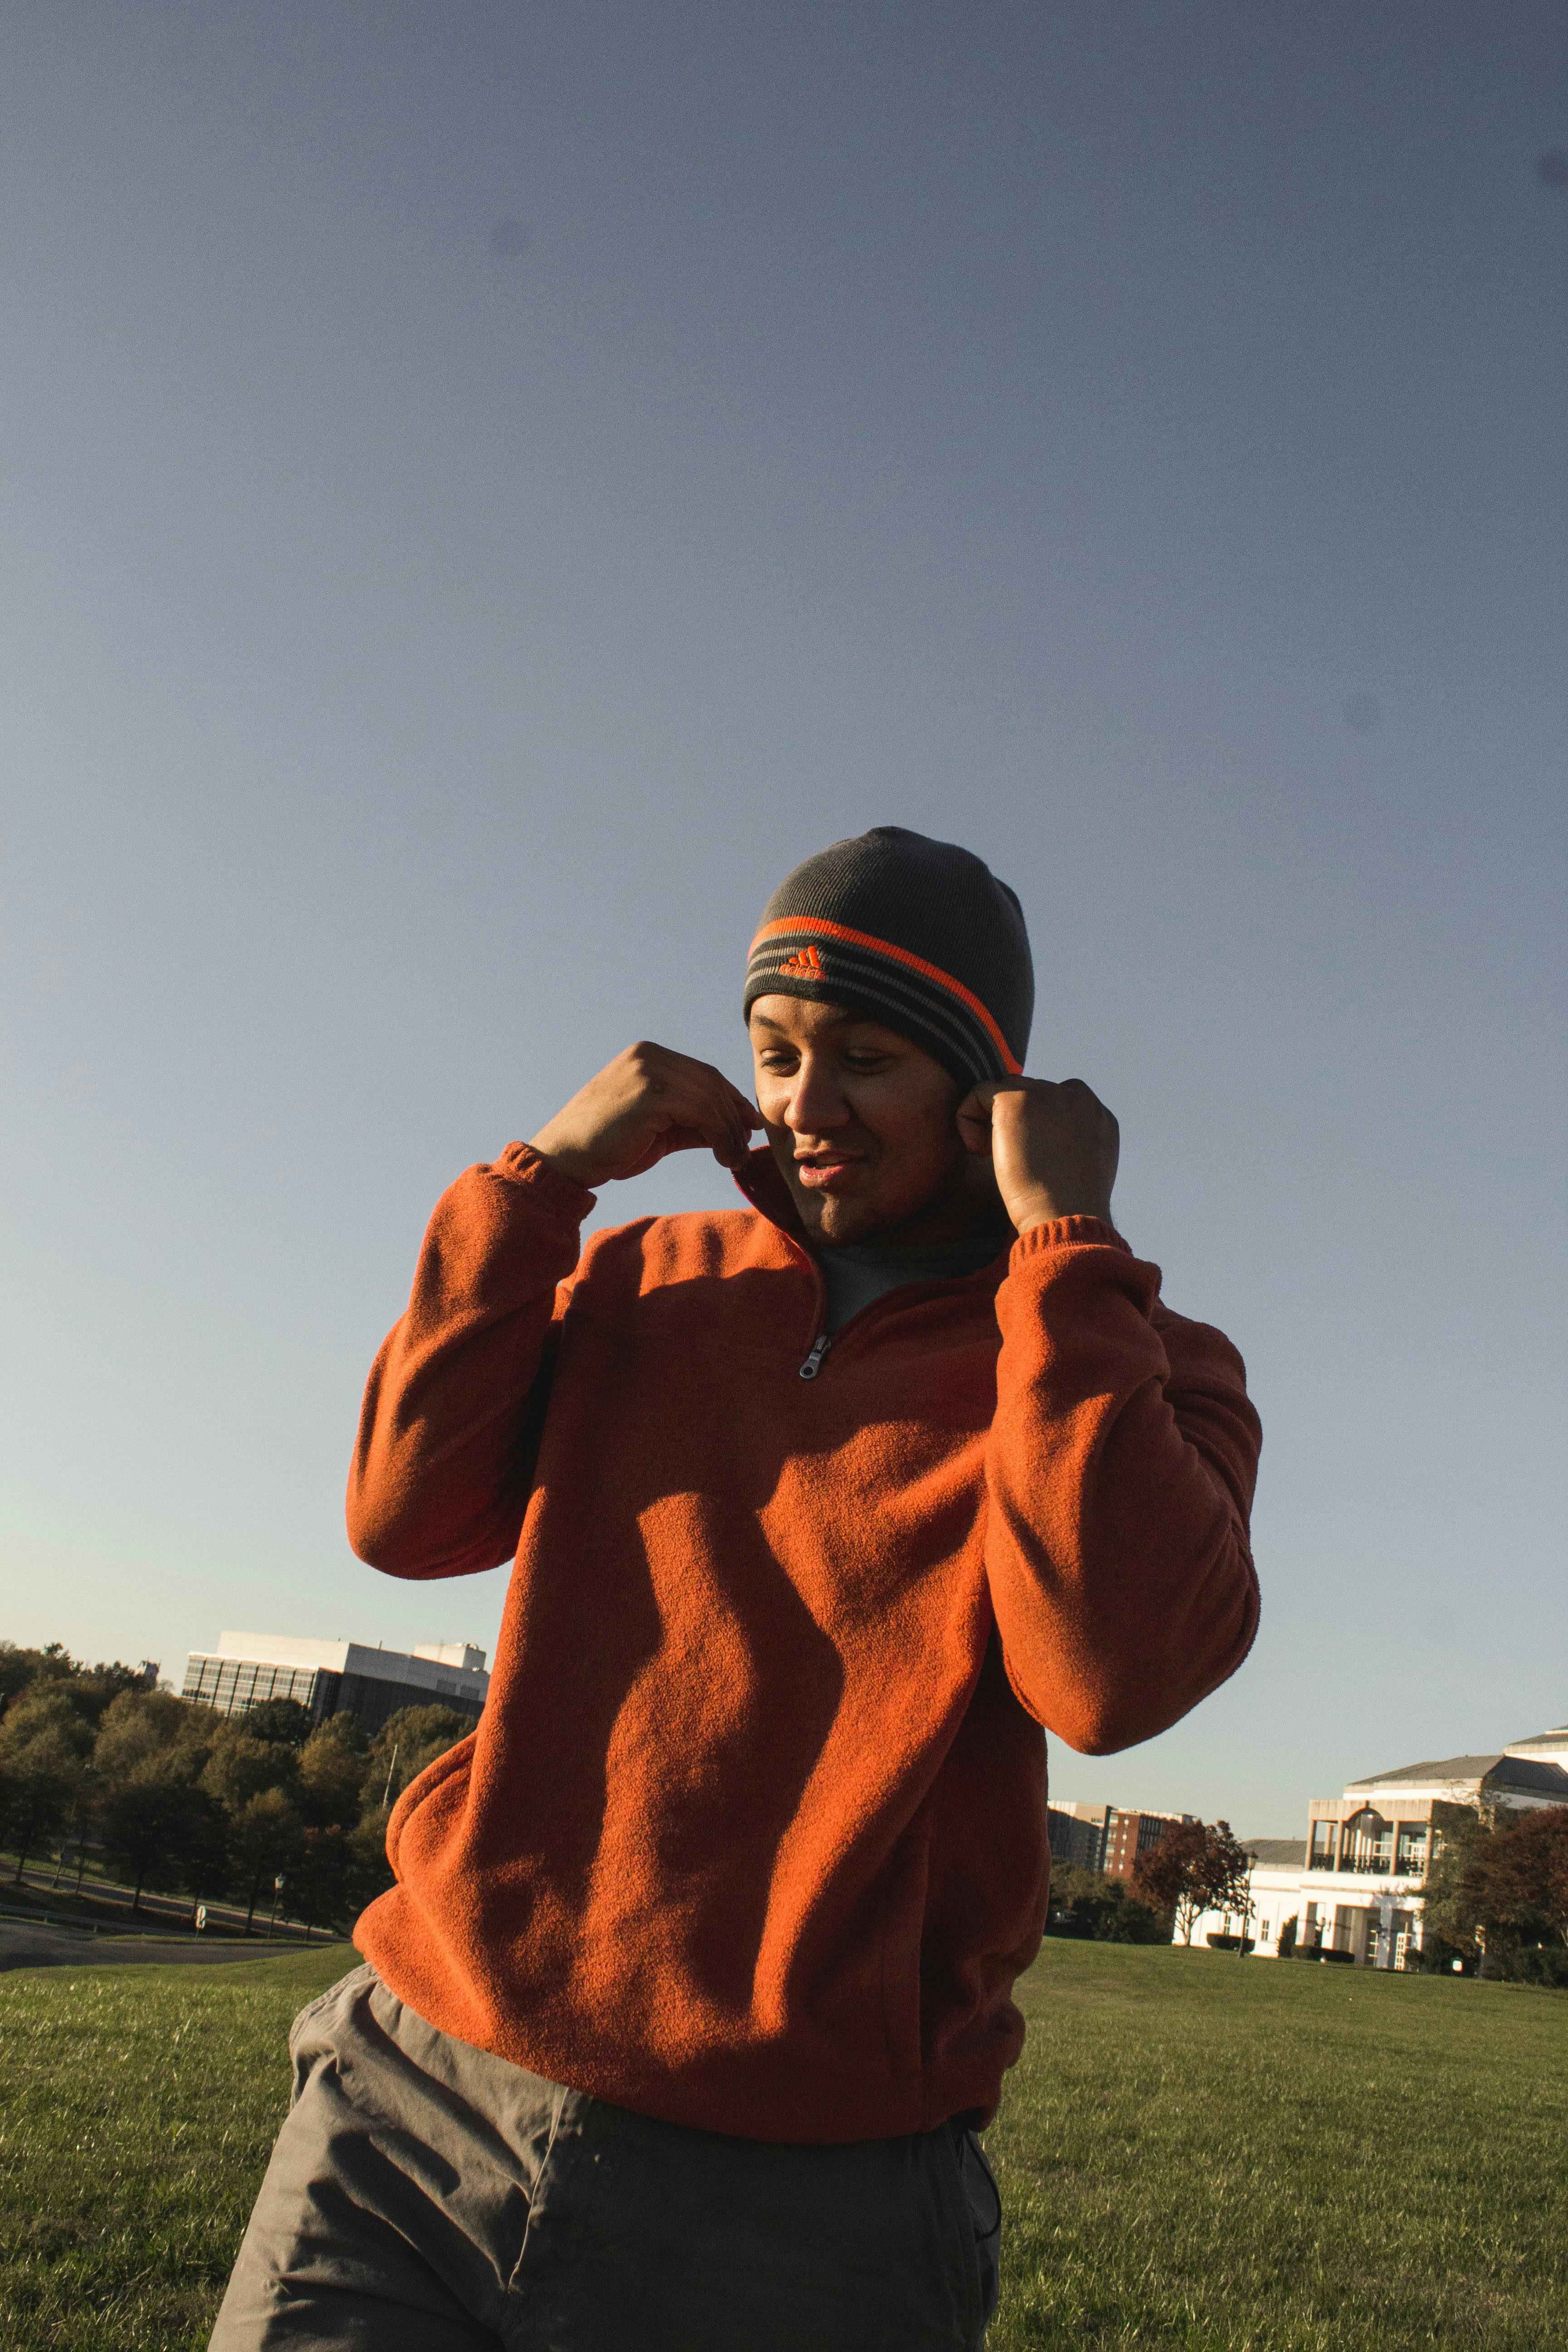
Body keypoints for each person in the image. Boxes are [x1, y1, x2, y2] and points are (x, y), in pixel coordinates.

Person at [210, 826, 1262, 2352]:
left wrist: (1065, 1251)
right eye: (775, 1053)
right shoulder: (644, 1272)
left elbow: (1107, 1680)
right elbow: (406, 1518)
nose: (803, 1108)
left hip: (800, 2214)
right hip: (413, 2108)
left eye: (867, 1061)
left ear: (990, 1092)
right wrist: (538, 1182)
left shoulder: (1136, 1359)